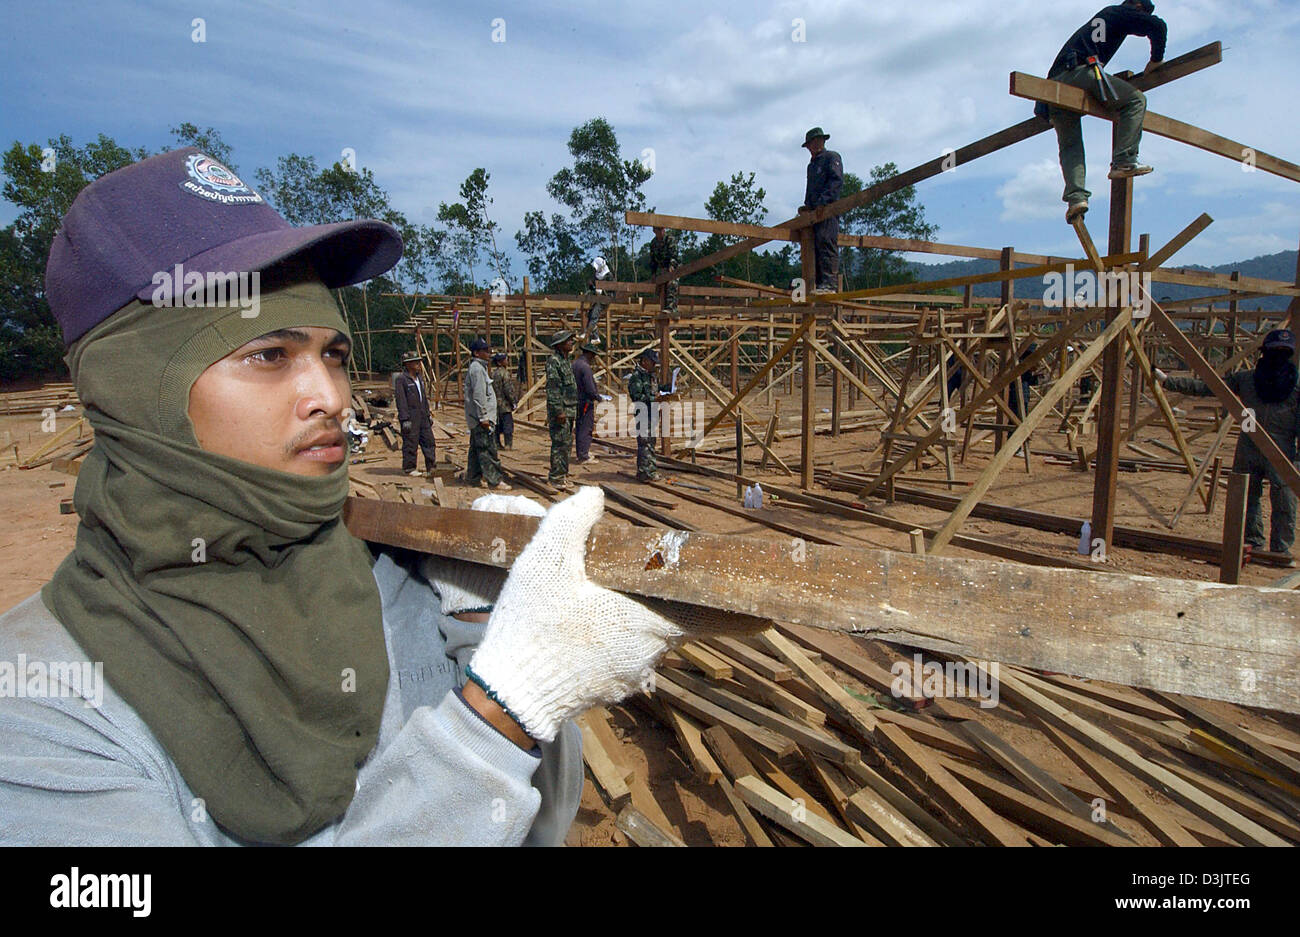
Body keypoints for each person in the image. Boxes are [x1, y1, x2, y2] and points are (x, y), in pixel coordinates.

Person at [0, 147, 694, 846]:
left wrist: (485, 625)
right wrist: (499, 714)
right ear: (135, 388)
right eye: (269, 355)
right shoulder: (41, 706)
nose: (332, 397)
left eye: (333, 353)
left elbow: (536, 824)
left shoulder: (396, 586)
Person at [1157, 329, 1300, 559]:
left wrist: (1298, 460)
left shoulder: (1296, 386)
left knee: (1284, 500)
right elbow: (1211, 387)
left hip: (1282, 451)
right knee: (1246, 498)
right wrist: (1168, 382)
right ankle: (1252, 543)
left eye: (1284, 352)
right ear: (1265, 353)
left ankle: (1281, 550)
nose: (1278, 357)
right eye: (1275, 351)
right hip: (1249, 447)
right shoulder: (1246, 380)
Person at [1035, 1, 1167, 223]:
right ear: (1137, 5)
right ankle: (1124, 160)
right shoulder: (1120, 12)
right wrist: (1156, 60)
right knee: (1135, 101)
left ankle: (1076, 198)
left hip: (1055, 85)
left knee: (1070, 144)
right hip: (1079, 72)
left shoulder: (1105, 18)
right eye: (1143, 11)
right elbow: (1158, 27)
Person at [797, 127, 843, 294]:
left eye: (817, 142)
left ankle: (829, 284)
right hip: (814, 213)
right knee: (813, 245)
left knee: (826, 241)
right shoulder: (812, 165)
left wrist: (824, 203)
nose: (814, 146)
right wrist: (808, 205)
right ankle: (816, 283)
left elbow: (836, 182)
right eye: (811, 143)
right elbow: (810, 189)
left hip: (827, 210)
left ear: (823, 141)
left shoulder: (832, 157)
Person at [464, 337, 510, 491]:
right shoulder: (477, 369)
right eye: (485, 351)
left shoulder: (479, 368)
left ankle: (473, 478)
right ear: (476, 353)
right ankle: (494, 481)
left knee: (476, 449)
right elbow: (478, 395)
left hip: (478, 418)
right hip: (481, 419)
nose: (488, 354)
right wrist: (483, 417)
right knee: (487, 450)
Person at [395, 350, 437, 476]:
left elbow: (423, 398)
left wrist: (428, 414)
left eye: (419, 361)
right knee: (410, 442)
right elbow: (401, 400)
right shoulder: (402, 380)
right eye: (415, 362)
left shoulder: (419, 378)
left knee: (429, 441)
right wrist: (404, 419)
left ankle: (431, 467)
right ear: (407, 364)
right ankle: (409, 468)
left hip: (423, 415)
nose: (419, 364)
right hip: (410, 417)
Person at [546, 330, 578, 491]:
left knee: (566, 444)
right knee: (559, 444)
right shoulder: (554, 362)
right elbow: (553, 389)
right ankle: (556, 477)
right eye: (568, 340)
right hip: (562, 411)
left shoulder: (566, 361)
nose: (571, 342)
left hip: (569, 409)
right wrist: (558, 411)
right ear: (559, 344)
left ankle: (562, 474)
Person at [628, 348, 663, 482]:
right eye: (652, 362)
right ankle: (646, 473)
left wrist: (666, 388)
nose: (654, 365)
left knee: (650, 442)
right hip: (643, 413)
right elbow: (637, 396)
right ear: (644, 361)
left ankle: (647, 471)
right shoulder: (637, 376)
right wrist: (655, 399)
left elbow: (655, 389)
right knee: (645, 443)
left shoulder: (649, 375)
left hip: (652, 413)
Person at [573, 341, 604, 465]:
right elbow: (589, 388)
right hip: (585, 401)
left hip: (576, 400)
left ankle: (581, 452)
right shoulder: (585, 367)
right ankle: (583, 455)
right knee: (586, 427)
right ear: (590, 354)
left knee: (580, 426)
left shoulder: (575, 364)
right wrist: (598, 397)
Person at [648, 226, 680, 318]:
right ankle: (663, 308)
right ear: (654, 231)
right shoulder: (653, 243)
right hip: (662, 269)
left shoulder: (669, 240)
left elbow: (674, 255)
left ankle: (672, 309)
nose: (662, 232)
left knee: (672, 284)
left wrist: (671, 266)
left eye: (663, 229)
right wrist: (653, 273)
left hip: (673, 267)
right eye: (660, 230)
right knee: (659, 288)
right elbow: (653, 260)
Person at [490, 351, 518, 450]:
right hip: (505, 404)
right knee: (507, 425)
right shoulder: (504, 374)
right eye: (505, 359)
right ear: (499, 362)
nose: (507, 361)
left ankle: (497, 444)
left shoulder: (493, 374)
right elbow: (508, 389)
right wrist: (513, 401)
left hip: (495, 404)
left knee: (497, 425)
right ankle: (508, 445)